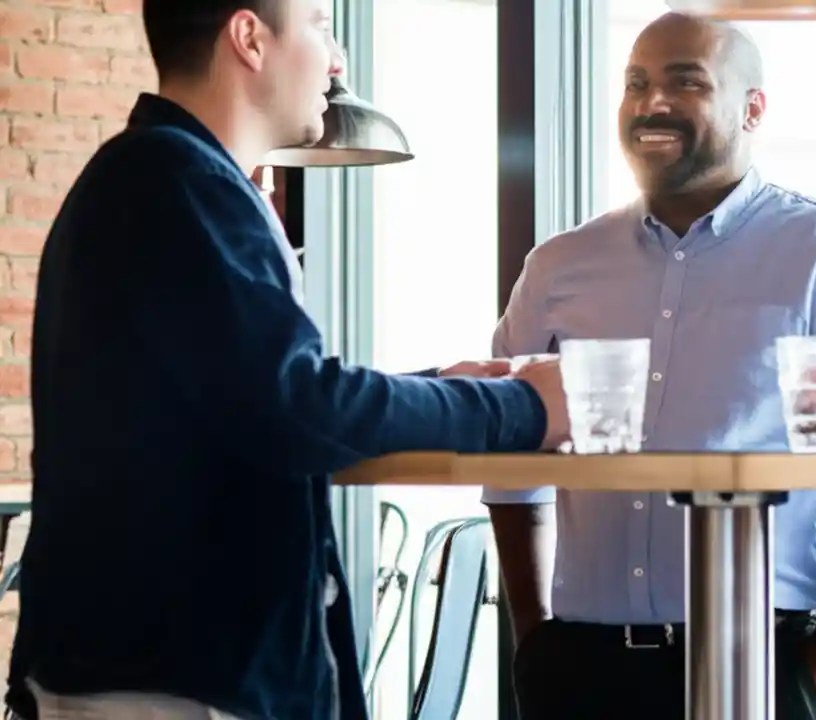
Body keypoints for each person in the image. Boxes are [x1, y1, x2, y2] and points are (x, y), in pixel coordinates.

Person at [4, 1, 567, 719]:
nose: (338, 62)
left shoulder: (162, 178)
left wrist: (438, 387)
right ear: (249, 38)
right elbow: (296, 406)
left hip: (155, 672)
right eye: (323, 26)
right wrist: (528, 407)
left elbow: (254, 397)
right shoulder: (177, 182)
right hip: (169, 687)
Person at [484, 12, 816, 720]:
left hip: (768, 659)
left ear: (753, 108)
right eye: (636, 84)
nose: (651, 104)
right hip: (578, 667)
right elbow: (510, 464)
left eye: (685, 82)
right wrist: (533, 634)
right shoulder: (561, 265)